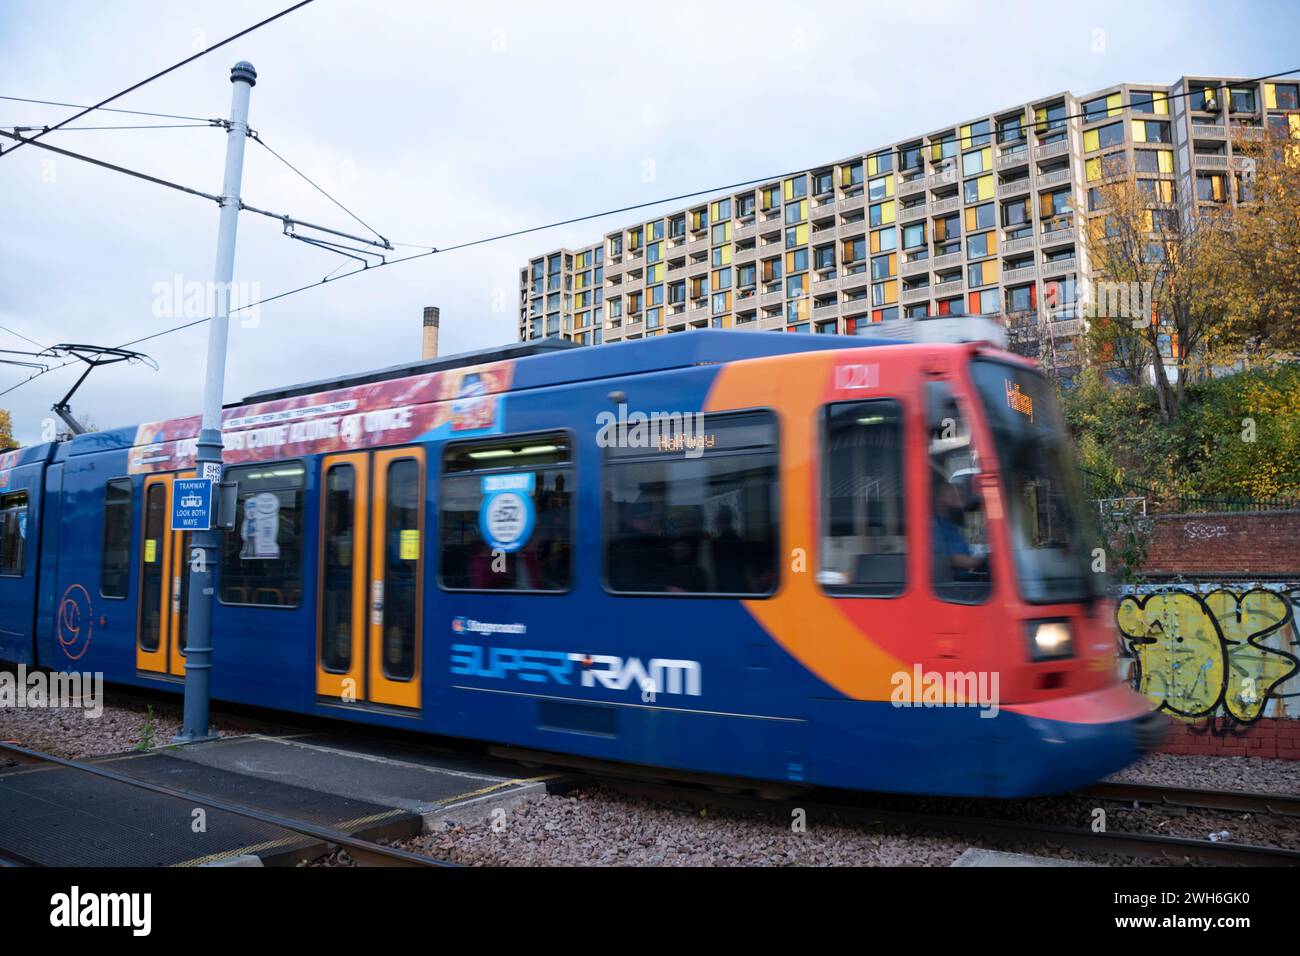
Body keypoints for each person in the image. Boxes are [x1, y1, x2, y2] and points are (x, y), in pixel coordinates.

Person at [932, 479, 986, 581]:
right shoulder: (935, 525)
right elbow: (953, 559)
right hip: (955, 584)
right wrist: (983, 561)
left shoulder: (950, 522)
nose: (959, 503)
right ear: (939, 500)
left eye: (958, 497)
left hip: (968, 577)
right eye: (953, 498)